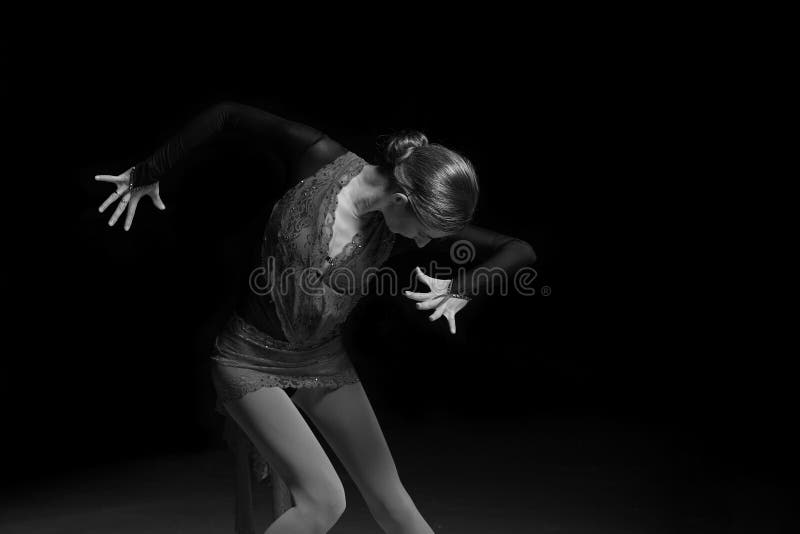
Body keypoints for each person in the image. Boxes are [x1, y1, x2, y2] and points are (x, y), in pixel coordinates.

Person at [94, 101, 537, 534]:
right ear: (401, 199)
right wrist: (148, 172)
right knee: (324, 501)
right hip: (246, 358)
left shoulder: (394, 226)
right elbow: (228, 114)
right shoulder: (318, 156)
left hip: (322, 361)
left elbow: (519, 249)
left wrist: (463, 287)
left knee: (397, 506)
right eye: (425, 233)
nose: (423, 245)